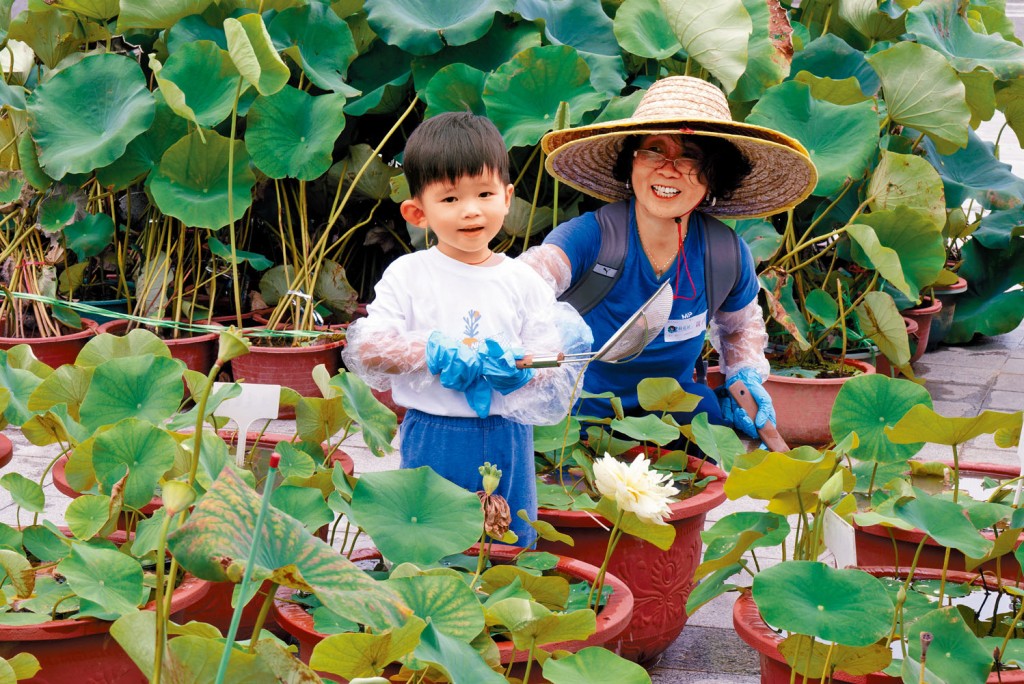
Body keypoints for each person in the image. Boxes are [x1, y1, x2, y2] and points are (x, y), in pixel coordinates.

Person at [520, 76, 818, 441]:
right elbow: (521, 288)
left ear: (713, 176)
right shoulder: (590, 237)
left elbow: (740, 326)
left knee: (713, 438)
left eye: (690, 155)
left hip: (674, 417)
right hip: (578, 419)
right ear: (631, 163)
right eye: (653, 150)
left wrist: (744, 374)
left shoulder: (724, 254)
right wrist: (531, 352)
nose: (668, 168)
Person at [342, 112, 591, 547]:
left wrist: (521, 370)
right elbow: (368, 349)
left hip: (508, 433)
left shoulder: (523, 280)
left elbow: (551, 358)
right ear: (417, 212)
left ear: (507, 198)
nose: (471, 209)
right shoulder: (408, 275)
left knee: (509, 541)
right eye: (451, 198)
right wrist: (433, 354)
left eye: (484, 193)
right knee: (428, 544)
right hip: (433, 433)